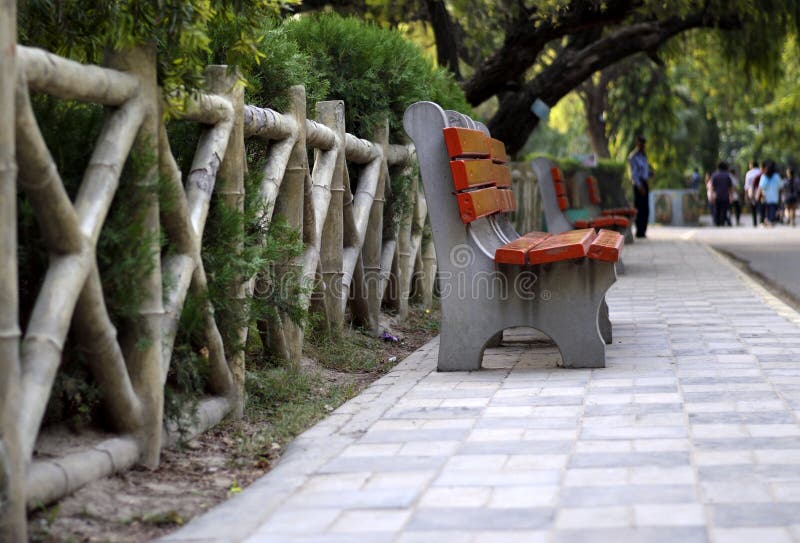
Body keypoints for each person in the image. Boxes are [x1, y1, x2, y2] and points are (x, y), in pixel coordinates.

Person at [628, 135, 650, 238]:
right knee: (639, 208)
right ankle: (639, 231)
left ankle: (643, 231)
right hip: (638, 184)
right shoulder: (633, 156)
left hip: (644, 182)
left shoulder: (644, 156)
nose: (643, 146)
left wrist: (649, 174)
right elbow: (634, 174)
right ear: (637, 144)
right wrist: (639, 186)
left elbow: (644, 171)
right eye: (641, 143)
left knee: (645, 208)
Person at [757, 160, 783, 226]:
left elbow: (760, 187)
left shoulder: (764, 176)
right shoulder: (776, 176)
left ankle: (768, 221)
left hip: (766, 198)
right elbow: (781, 187)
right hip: (774, 198)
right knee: (772, 211)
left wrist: (757, 196)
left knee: (767, 211)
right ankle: (770, 221)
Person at [710, 161, 733, 227]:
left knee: (717, 210)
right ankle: (722, 222)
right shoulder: (727, 175)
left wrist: (711, 195)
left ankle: (717, 223)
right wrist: (731, 196)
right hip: (725, 196)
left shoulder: (714, 175)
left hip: (717, 196)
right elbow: (730, 187)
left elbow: (712, 187)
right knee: (724, 210)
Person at [744, 159, 762, 227]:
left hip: (751, 191)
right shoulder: (760, 171)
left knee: (753, 207)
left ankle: (754, 222)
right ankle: (761, 220)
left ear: (751, 165)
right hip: (760, 191)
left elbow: (747, 186)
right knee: (760, 206)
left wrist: (746, 195)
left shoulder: (749, 173)